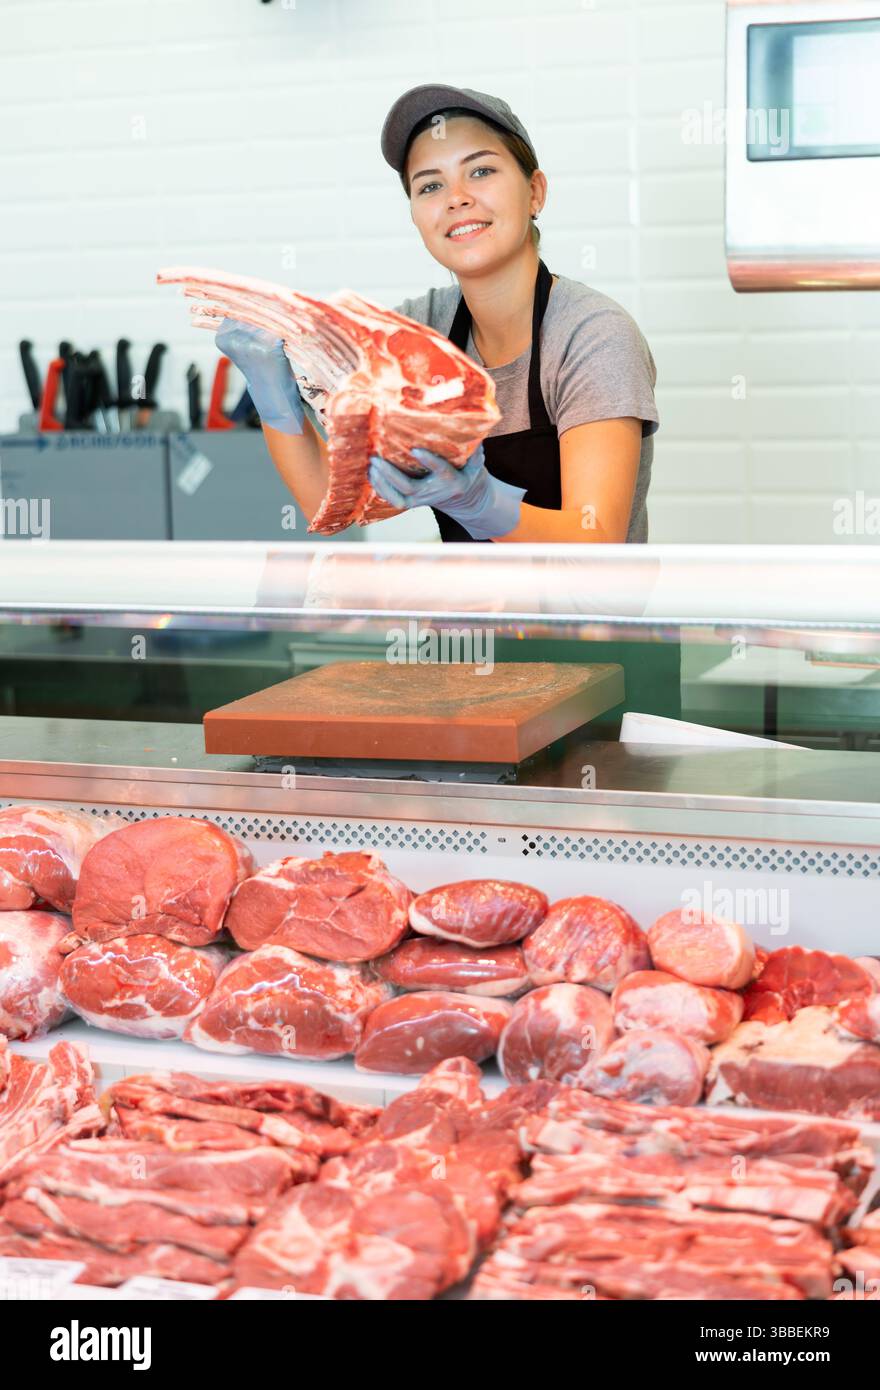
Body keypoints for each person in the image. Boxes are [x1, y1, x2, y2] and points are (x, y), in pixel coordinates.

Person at [218, 83, 660, 544]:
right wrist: (273, 394)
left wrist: (481, 503)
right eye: (430, 184)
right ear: (415, 215)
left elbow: (596, 540)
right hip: (471, 615)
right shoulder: (419, 331)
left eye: (481, 170)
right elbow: (329, 502)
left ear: (535, 192)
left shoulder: (592, 336)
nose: (456, 197)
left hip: (584, 617)